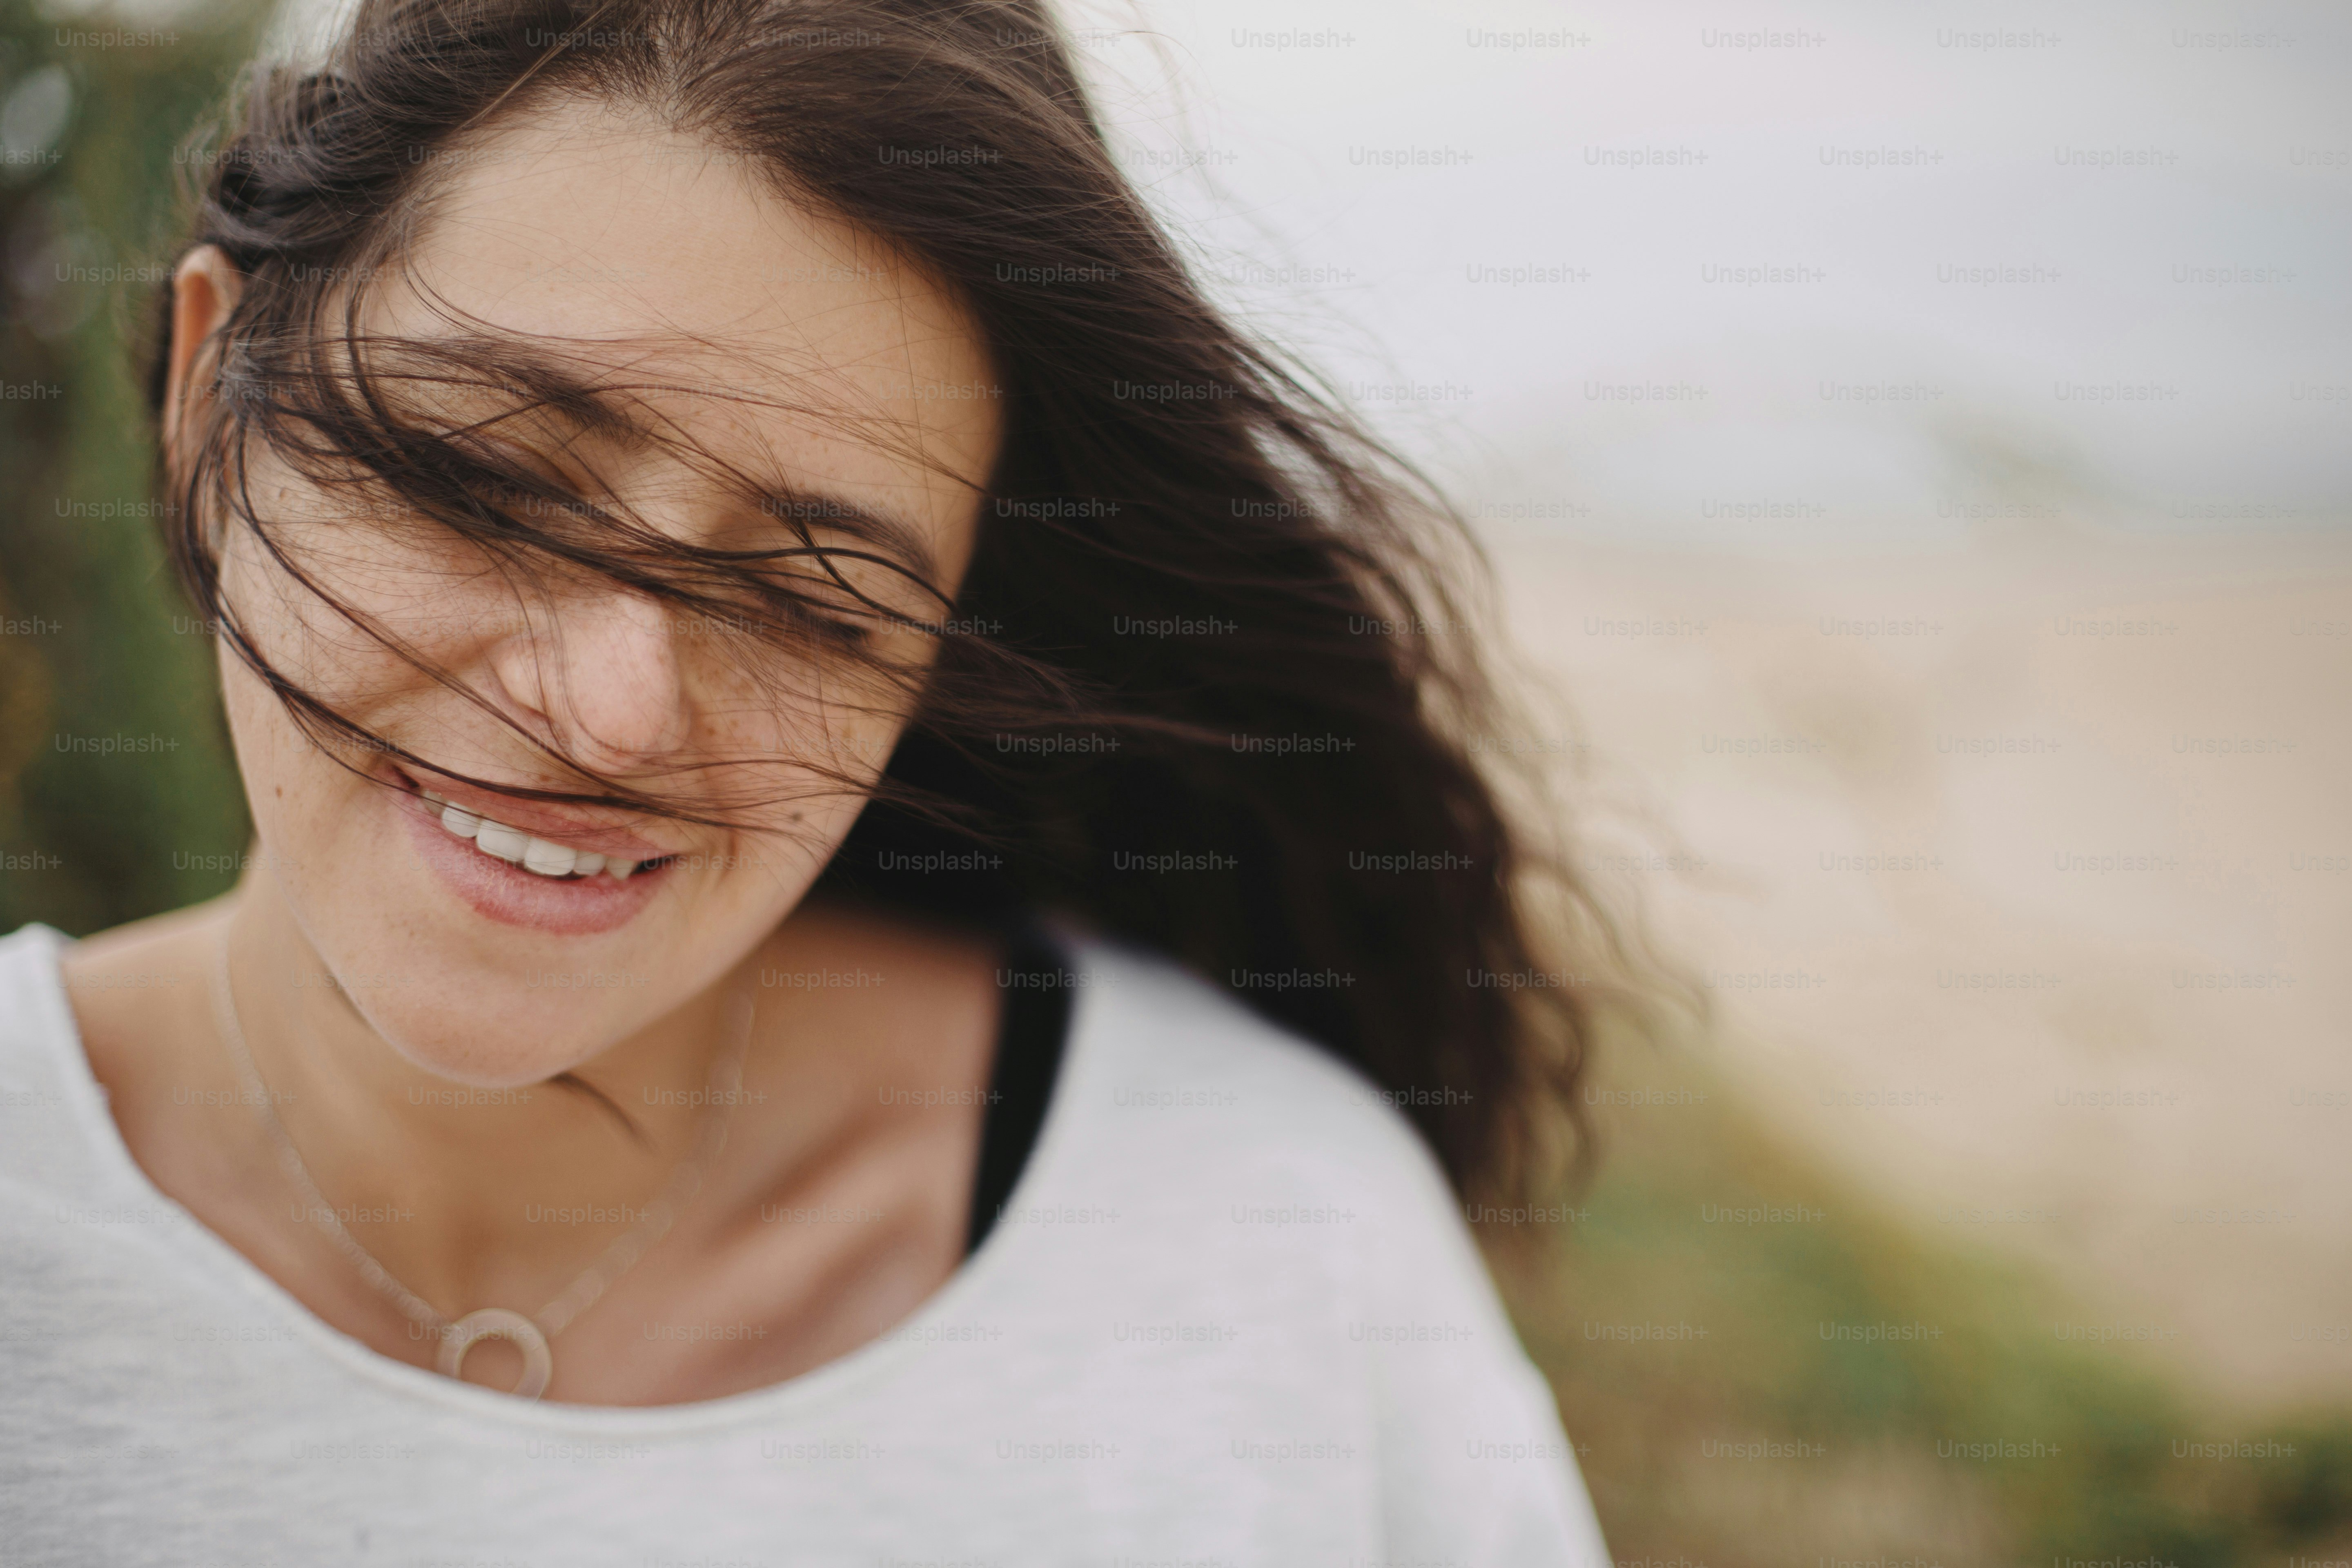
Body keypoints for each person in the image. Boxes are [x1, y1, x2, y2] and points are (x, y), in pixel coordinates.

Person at [0, 0, 1615, 1559]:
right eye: (489, 482)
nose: (616, 718)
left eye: (814, 596)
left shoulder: (1268, 1244)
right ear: (212, 402)